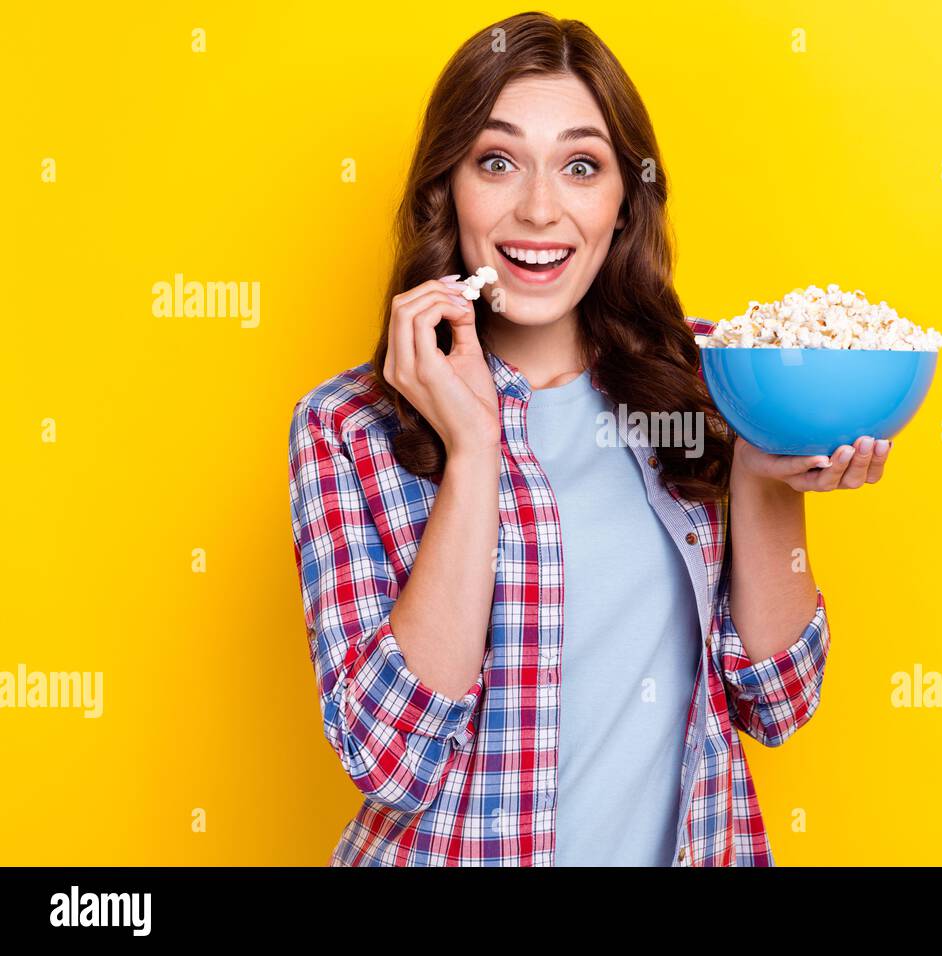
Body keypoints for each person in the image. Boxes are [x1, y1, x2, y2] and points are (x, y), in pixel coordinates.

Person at [287, 11, 892, 867]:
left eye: (581, 165)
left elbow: (779, 700)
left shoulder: (711, 383)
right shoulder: (348, 428)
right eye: (496, 162)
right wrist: (473, 450)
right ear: (446, 190)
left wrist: (765, 475)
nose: (539, 209)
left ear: (623, 201)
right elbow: (389, 756)